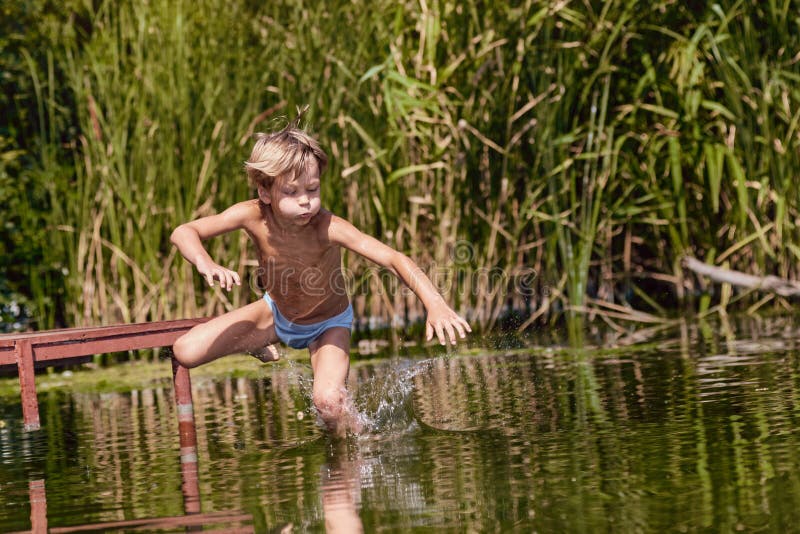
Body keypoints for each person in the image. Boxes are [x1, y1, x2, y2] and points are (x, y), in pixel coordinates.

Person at [170, 109, 470, 434]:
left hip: (328, 324)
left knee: (328, 404)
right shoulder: (251, 215)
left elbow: (393, 258)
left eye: (312, 190)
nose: (306, 202)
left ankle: (361, 439)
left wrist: (435, 303)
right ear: (265, 192)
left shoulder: (328, 227)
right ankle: (254, 343)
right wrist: (206, 262)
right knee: (184, 351)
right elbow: (184, 232)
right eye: (292, 192)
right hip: (276, 314)